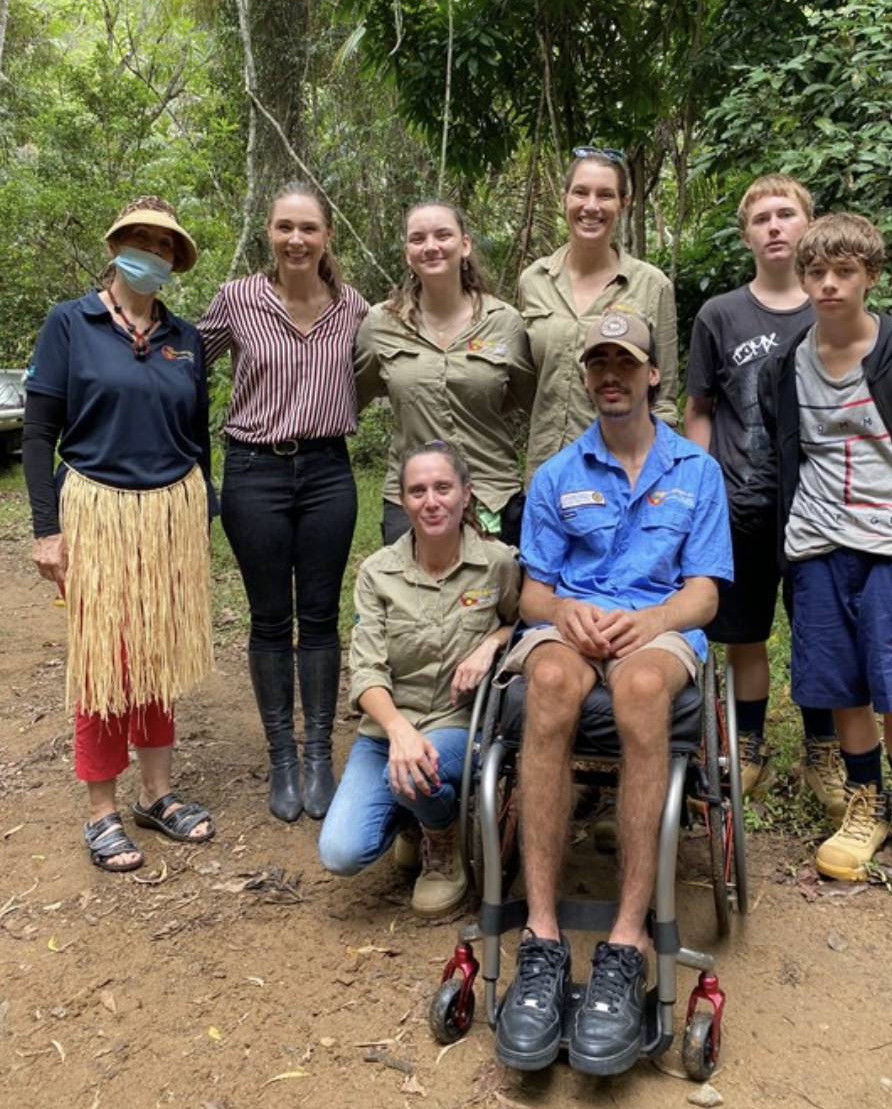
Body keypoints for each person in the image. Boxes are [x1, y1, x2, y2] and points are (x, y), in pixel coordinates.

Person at [494, 312, 732, 1076]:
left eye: (624, 363)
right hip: (574, 622)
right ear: (586, 377)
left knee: (639, 687)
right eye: (598, 363)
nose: (611, 376)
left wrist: (651, 619)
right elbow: (533, 592)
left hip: (658, 627)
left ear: (652, 375)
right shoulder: (558, 474)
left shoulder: (695, 471)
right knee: (552, 682)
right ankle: (540, 933)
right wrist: (566, 612)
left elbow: (703, 595)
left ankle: (627, 940)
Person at [733, 214, 892, 909]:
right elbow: (782, 458)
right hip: (815, 549)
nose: (828, 284)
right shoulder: (785, 366)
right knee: (843, 687)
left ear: (871, 275)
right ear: (801, 279)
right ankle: (866, 803)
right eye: (816, 273)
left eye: (844, 272)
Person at [23, 196, 215, 872]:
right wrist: (47, 531)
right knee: (107, 657)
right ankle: (102, 810)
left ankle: (157, 794)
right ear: (115, 246)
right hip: (98, 508)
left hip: (170, 512)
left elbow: (198, 437)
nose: (151, 253)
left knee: (156, 652)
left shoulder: (184, 338)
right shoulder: (69, 324)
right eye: (139, 240)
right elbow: (40, 430)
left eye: (163, 246)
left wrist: (204, 512)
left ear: (174, 260)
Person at [199, 181, 368, 823]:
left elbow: (382, 371)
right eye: (284, 227)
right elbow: (184, 360)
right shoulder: (239, 298)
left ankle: (320, 754)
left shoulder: (353, 307)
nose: (296, 239)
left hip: (328, 469)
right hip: (254, 469)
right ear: (270, 232)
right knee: (270, 617)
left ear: (327, 236)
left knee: (321, 614)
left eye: (309, 228)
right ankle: (282, 758)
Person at [684, 174, 845, 816]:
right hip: (740, 505)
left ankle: (824, 748)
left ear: (808, 224)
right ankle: (745, 744)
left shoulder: (831, 307)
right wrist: (701, 488)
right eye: (762, 218)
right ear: (746, 233)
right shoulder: (720, 315)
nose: (775, 226)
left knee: (821, 631)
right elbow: (699, 408)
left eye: (787, 214)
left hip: (824, 507)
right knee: (745, 632)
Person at [318, 441, 520, 916]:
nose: (431, 501)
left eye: (443, 488)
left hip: (458, 724)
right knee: (341, 853)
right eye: (417, 490)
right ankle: (414, 816)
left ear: (466, 494)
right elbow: (365, 670)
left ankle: (441, 839)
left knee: (413, 772)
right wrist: (398, 731)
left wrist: (491, 642)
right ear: (403, 500)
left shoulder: (499, 565)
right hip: (388, 730)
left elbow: (526, 623)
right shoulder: (377, 573)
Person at [354, 199, 534, 546]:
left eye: (443, 235)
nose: (431, 246)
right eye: (418, 238)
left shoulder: (504, 323)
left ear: (464, 244)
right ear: (408, 252)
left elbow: (532, 399)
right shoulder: (380, 324)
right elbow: (353, 396)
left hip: (491, 493)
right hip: (413, 499)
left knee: (493, 597)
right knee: (410, 597)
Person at [519, 147, 678, 477]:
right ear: (564, 198)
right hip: (546, 472)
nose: (591, 206)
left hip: (621, 472)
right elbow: (528, 385)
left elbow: (664, 400)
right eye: (581, 192)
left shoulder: (652, 285)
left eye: (605, 195)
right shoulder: (533, 281)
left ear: (624, 202)